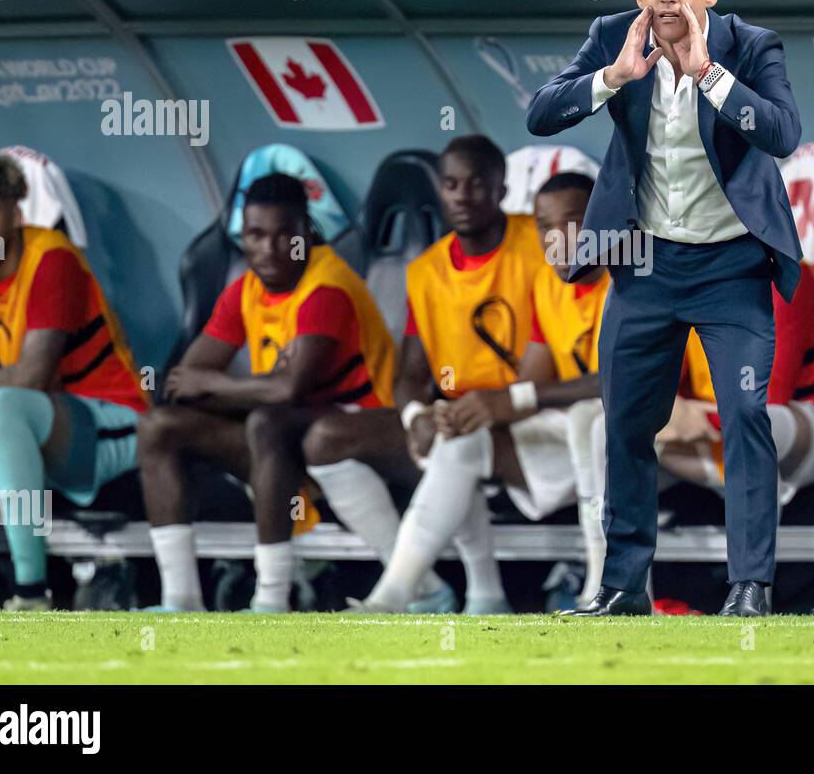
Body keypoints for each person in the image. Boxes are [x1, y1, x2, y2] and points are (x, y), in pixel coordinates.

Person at [528, 0, 804, 617]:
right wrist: (614, 76)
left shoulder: (751, 45)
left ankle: (749, 589)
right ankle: (623, 587)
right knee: (623, 420)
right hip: (644, 263)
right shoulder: (613, 34)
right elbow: (540, 115)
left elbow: (782, 134)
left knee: (743, 413)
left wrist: (712, 75)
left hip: (732, 266)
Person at [137, 173, 455, 613]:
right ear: (241, 237)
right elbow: (181, 383)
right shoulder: (244, 291)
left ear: (305, 232)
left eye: (283, 233)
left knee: (271, 421)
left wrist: (220, 385)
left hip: (365, 434)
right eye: (255, 235)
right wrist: (247, 389)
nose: (268, 248)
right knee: (160, 426)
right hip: (289, 443)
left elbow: (288, 389)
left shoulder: (326, 288)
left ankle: (271, 598)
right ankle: (181, 601)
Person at [367, 170, 610, 611]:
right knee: (460, 437)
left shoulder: (635, 277)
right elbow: (531, 383)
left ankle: (601, 588)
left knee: (589, 421)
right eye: (545, 226)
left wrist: (512, 400)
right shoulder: (548, 284)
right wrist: (470, 410)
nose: (559, 238)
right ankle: (394, 594)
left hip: (663, 435)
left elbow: (625, 381)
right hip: (582, 443)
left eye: (573, 221)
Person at [353, 135, 545, 613]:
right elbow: (410, 372)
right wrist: (415, 414)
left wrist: (511, 400)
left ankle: (407, 595)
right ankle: (461, 593)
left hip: (536, 407)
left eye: (477, 184)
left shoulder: (540, 244)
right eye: (451, 185)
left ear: (502, 188)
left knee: (457, 440)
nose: (462, 196)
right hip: (461, 410)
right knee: (325, 440)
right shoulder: (426, 270)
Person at [0, 155, 146, 610]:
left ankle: (31, 592)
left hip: (110, 429)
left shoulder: (51, 258)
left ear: (16, 215)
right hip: (29, 443)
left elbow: (32, 377)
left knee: (2, 404)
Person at [659, 263, 814, 508]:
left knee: (754, 428)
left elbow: (761, 401)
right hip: (714, 421)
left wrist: (669, 418)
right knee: (613, 428)